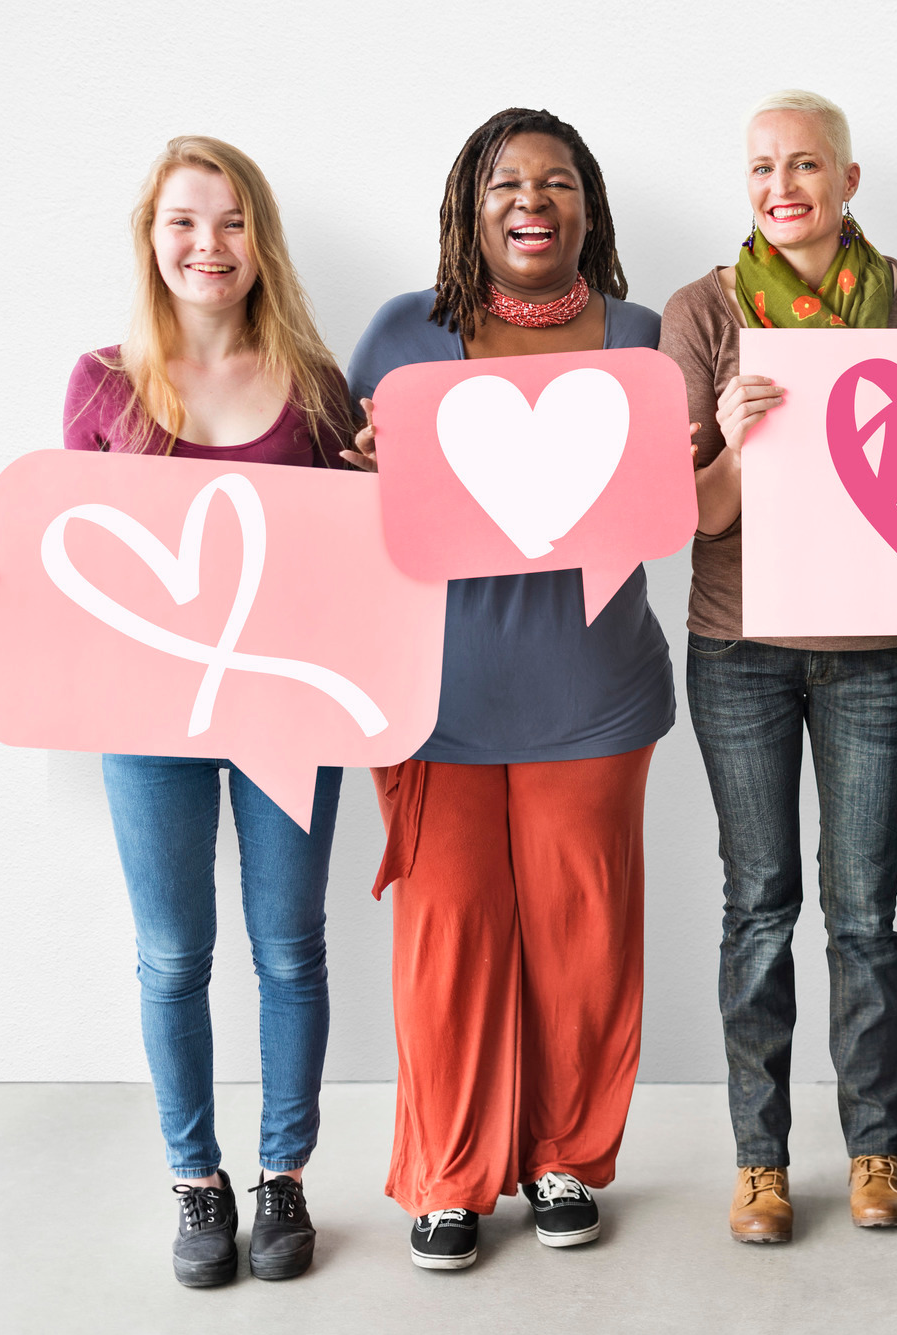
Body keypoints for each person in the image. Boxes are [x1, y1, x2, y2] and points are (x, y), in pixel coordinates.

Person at [0, 136, 355, 1288]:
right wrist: (13, 584)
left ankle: (282, 1176)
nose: (208, 245)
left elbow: (354, 567)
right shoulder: (104, 383)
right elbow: (78, 558)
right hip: (148, 719)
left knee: (289, 950)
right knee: (174, 954)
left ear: (259, 240)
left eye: (230, 222)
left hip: (288, 712)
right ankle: (198, 1182)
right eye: (185, 222)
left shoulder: (318, 386)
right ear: (152, 239)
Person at [345, 107, 674, 1271]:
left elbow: (688, 508)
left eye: (555, 182)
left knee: (581, 939)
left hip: (593, 696)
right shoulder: (401, 334)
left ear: (588, 206)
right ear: (467, 211)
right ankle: (446, 1174)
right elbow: (323, 509)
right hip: (431, 703)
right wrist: (361, 472)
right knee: (448, 938)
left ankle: (564, 1159)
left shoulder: (643, 339)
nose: (530, 201)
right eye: (504, 185)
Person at [659, 89, 897, 1244]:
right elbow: (693, 516)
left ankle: (874, 1151)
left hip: (875, 654)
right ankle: (760, 1164)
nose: (784, 187)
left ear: (849, 181)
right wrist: (728, 430)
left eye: (807, 165)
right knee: (758, 908)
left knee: (864, 912)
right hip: (740, 650)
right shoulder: (700, 310)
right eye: (763, 168)